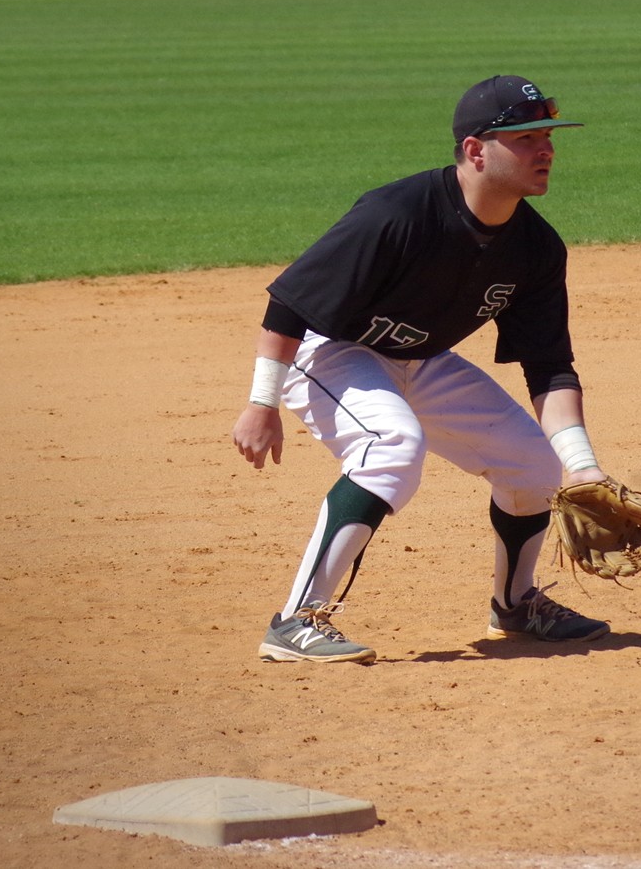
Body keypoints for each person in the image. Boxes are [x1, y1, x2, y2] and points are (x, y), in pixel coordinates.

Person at [230, 75, 614, 664]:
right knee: (392, 445)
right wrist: (263, 404)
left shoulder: (536, 248)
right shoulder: (396, 212)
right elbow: (288, 306)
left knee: (534, 462)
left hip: (423, 360)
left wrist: (583, 467)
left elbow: (549, 368)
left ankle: (515, 606)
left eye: (548, 137)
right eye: (527, 138)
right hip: (333, 351)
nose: (546, 150)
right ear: (476, 150)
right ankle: (296, 621)